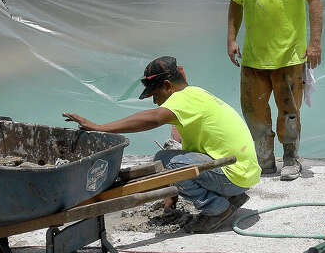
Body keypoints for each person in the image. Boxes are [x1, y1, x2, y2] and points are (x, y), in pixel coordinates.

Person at [63, 56, 260, 233]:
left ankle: (217, 209)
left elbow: (154, 118)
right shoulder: (197, 95)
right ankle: (230, 197)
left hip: (234, 176)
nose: (155, 102)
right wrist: (170, 204)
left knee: (164, 160)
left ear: (167, 86)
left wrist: (100, 128)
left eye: (155, 94)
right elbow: (187, 160)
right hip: (243, 173)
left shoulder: (183, 99)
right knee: (172, 158)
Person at [226, 0, 322, 182]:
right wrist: (231, 39)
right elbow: (235, 3)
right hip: (253, 57)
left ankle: (291, 159)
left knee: (289, 112)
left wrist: (315, 43)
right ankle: (264, 162)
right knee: (253, 113)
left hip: (287, 56)